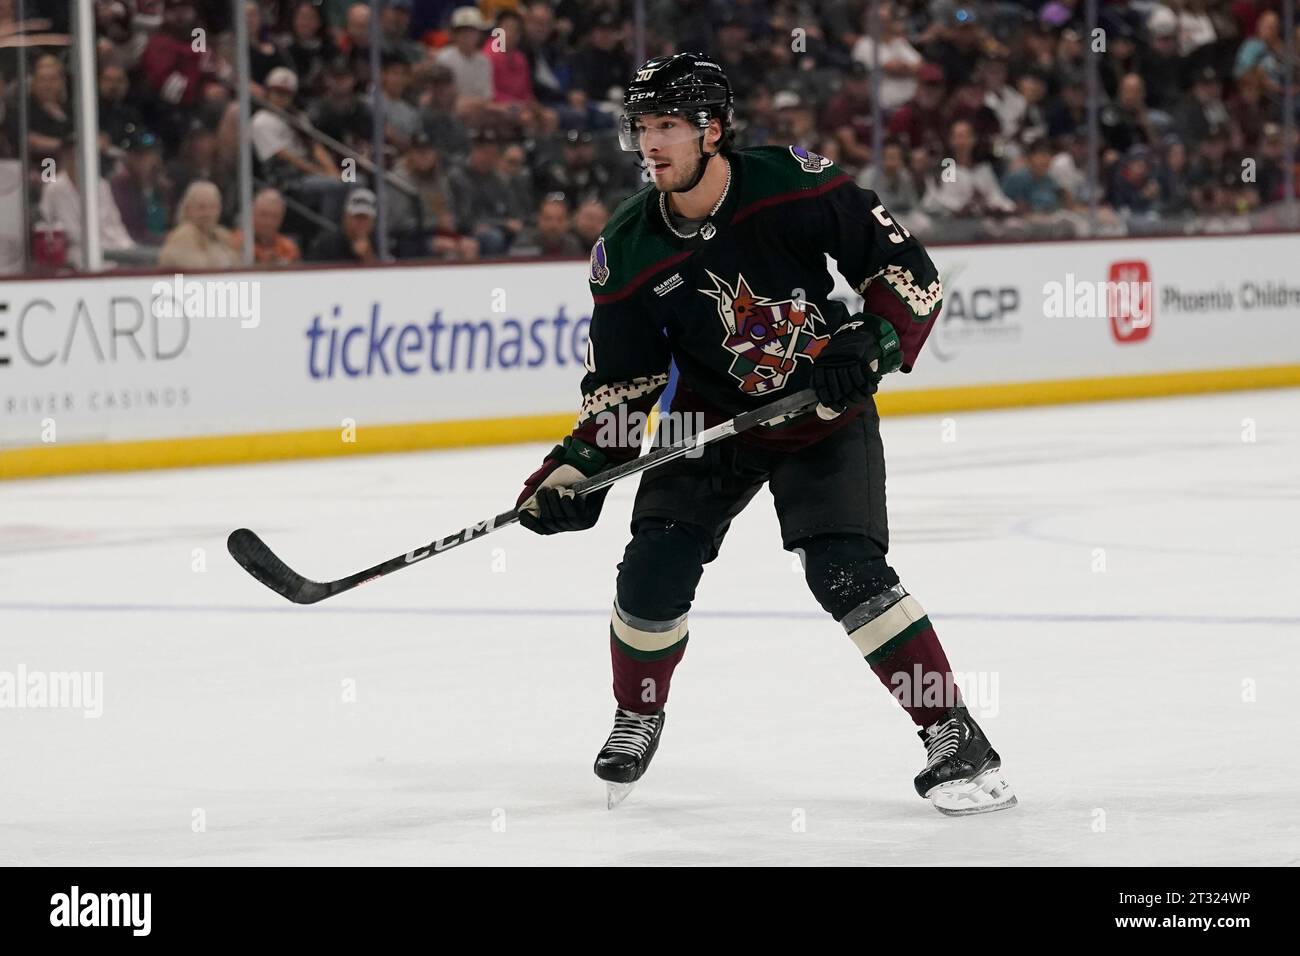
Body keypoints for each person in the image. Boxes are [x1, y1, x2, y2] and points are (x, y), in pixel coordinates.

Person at [514, 54, 1015, 816]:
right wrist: (575, 467)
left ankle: (954, 733)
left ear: (713, 130)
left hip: (821, 407)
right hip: (710, 421)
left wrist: (869, 342)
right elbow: (626, 385)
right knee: (652, 568)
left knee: (845, 570)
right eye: (643, 128)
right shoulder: (627, 250)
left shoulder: (793, 183)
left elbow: (908, 270)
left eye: (670, 127)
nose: (651, 145)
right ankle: (637, 713)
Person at [158, 180, 239, 269]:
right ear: (188, 209)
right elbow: (198, 269)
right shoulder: (184, 234)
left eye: (213, 207)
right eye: (201, 208)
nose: (207, 213)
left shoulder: (222, 235)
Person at [229, 188, 301, 266]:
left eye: (274, 216)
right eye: (263, 215)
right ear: (252, 214)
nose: (268, 222)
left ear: (281, 219)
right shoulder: (234, 243)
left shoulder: (289, 249)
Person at [307, 187, 379, 263]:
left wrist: (367, 256)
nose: (360, 223)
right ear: (345, 218)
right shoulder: (326, 244)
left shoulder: (380, 243)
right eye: (357, 217)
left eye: (365, 218)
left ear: (373, 222)